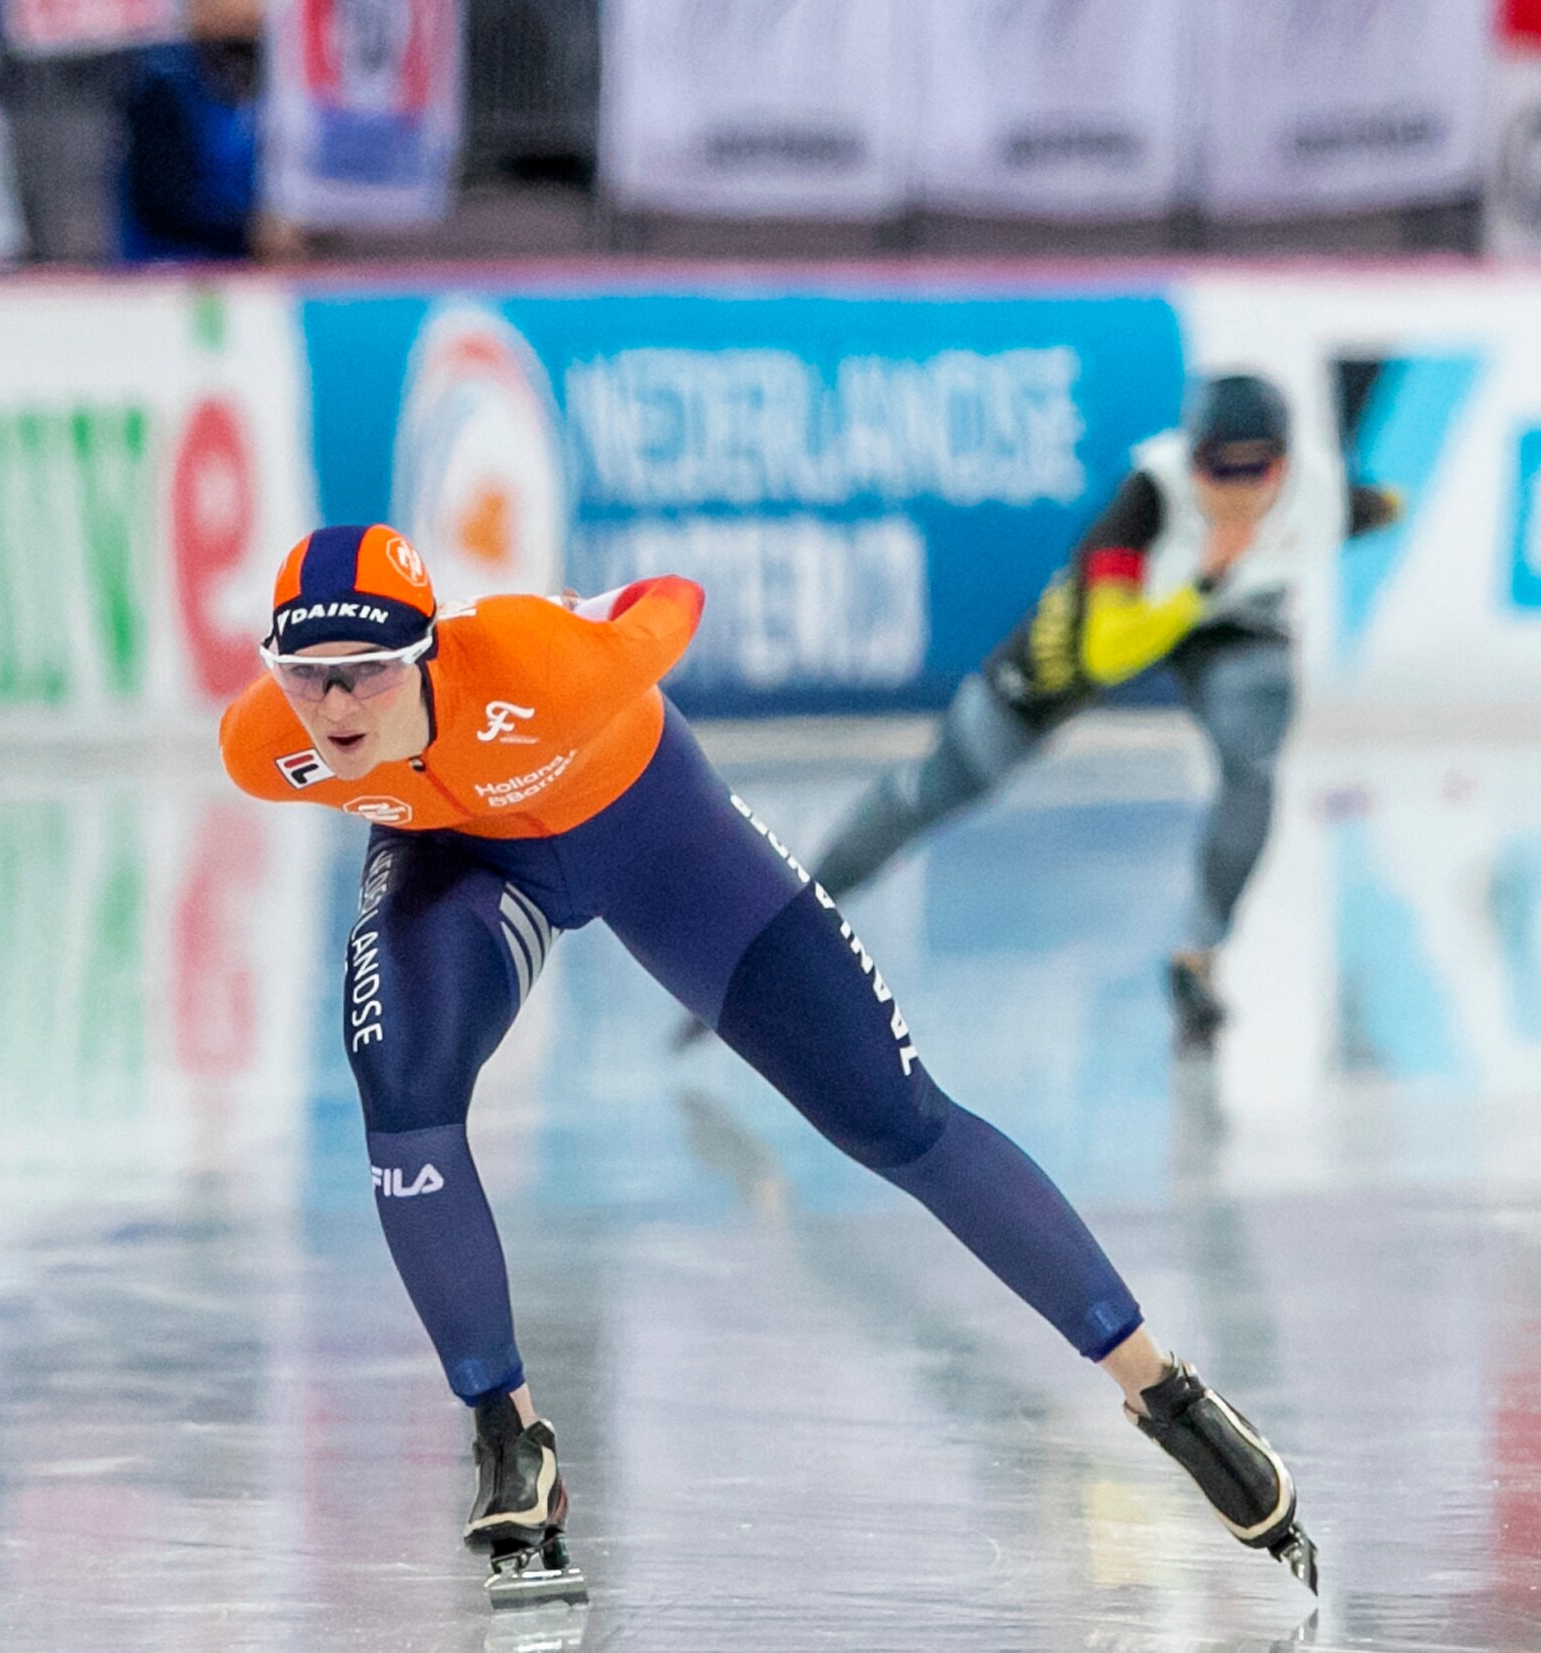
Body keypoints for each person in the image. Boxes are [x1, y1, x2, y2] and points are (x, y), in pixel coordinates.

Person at [218, 524, 1319, 1606]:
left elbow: (668, 599)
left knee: (896, 1119)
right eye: (306, 674)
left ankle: (1163, 1392)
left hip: (654, 835)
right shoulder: (262, 745)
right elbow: (318, 728)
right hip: (460, 862)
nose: (336, 704)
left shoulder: (539, 664)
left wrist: (573, 621)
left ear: (426, 651)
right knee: (402, 1092)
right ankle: (508, 1436)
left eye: (367, 670)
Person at [790, 373, 1397, 1050]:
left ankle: (1198, 954)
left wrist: (1219, 588)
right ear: (1190, 457)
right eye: (1215, 468)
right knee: (945, 782)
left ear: (1283, 465)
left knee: (1252, 761)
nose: (1232, 490)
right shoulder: (1145, 504)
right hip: (1116, 624)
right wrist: (1203, 583)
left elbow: (1393, 504)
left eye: (1253, 470)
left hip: (1232, 628)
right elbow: (1107, 656)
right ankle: (799, 909)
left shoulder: (1326, 496)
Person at [118, 0, 273, 263]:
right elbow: (163, 204)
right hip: (171, 263)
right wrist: (251, 232)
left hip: (241, 260)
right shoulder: (164, 83)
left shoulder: (257, 77)